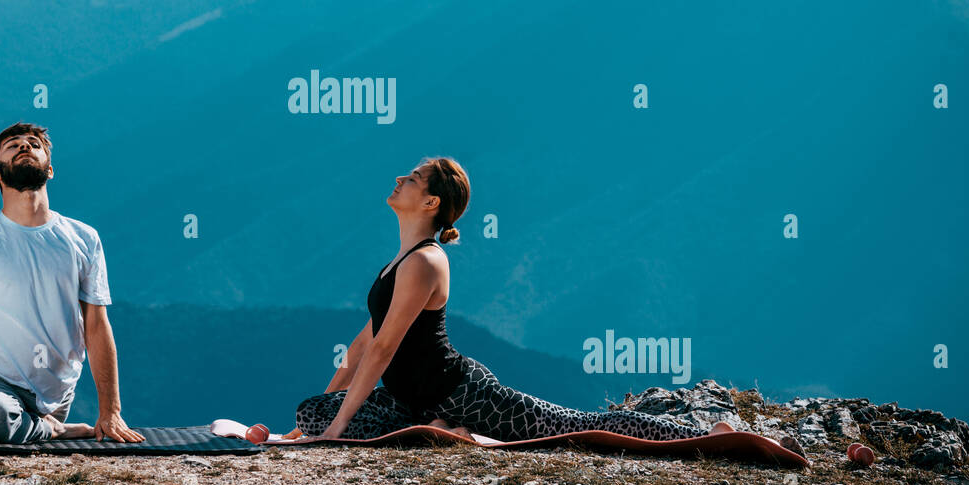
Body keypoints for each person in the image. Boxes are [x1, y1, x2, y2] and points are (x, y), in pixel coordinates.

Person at [292, 156, 722, 444]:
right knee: (310, 412)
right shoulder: (398, 262)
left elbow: (386, 348)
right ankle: (436, 430)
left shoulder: (426, 262)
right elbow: (365, 342)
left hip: (465, 395)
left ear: (430, 201)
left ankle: (699, 434)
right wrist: (320, 420)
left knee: (578, 427)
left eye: (413, 179)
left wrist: (339, 428)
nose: (400, 180)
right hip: (409, 402)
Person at [0, 122, 145, 446]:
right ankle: (52, 431)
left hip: (57, 394)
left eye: (33, 143)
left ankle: (46, 423)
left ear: (50, 170)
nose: (24, 146)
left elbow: (97, 327)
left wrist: (110, 412)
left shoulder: (83, 239)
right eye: (12, 145)